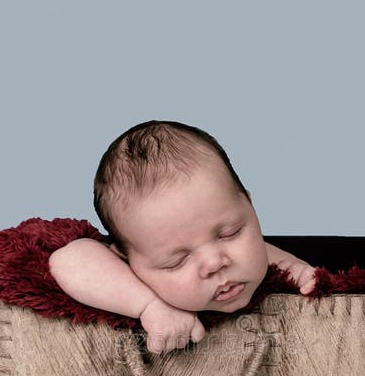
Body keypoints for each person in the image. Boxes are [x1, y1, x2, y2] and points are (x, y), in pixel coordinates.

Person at [49, 120, 316, 355]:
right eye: (176, 261)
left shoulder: (249, 256)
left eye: (230, 233)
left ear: (250, 204)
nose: (215, 262)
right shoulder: (120, 275)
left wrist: (294, 269)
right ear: (125, 258)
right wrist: (149, 306)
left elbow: (265, 252)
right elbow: (68, 260)